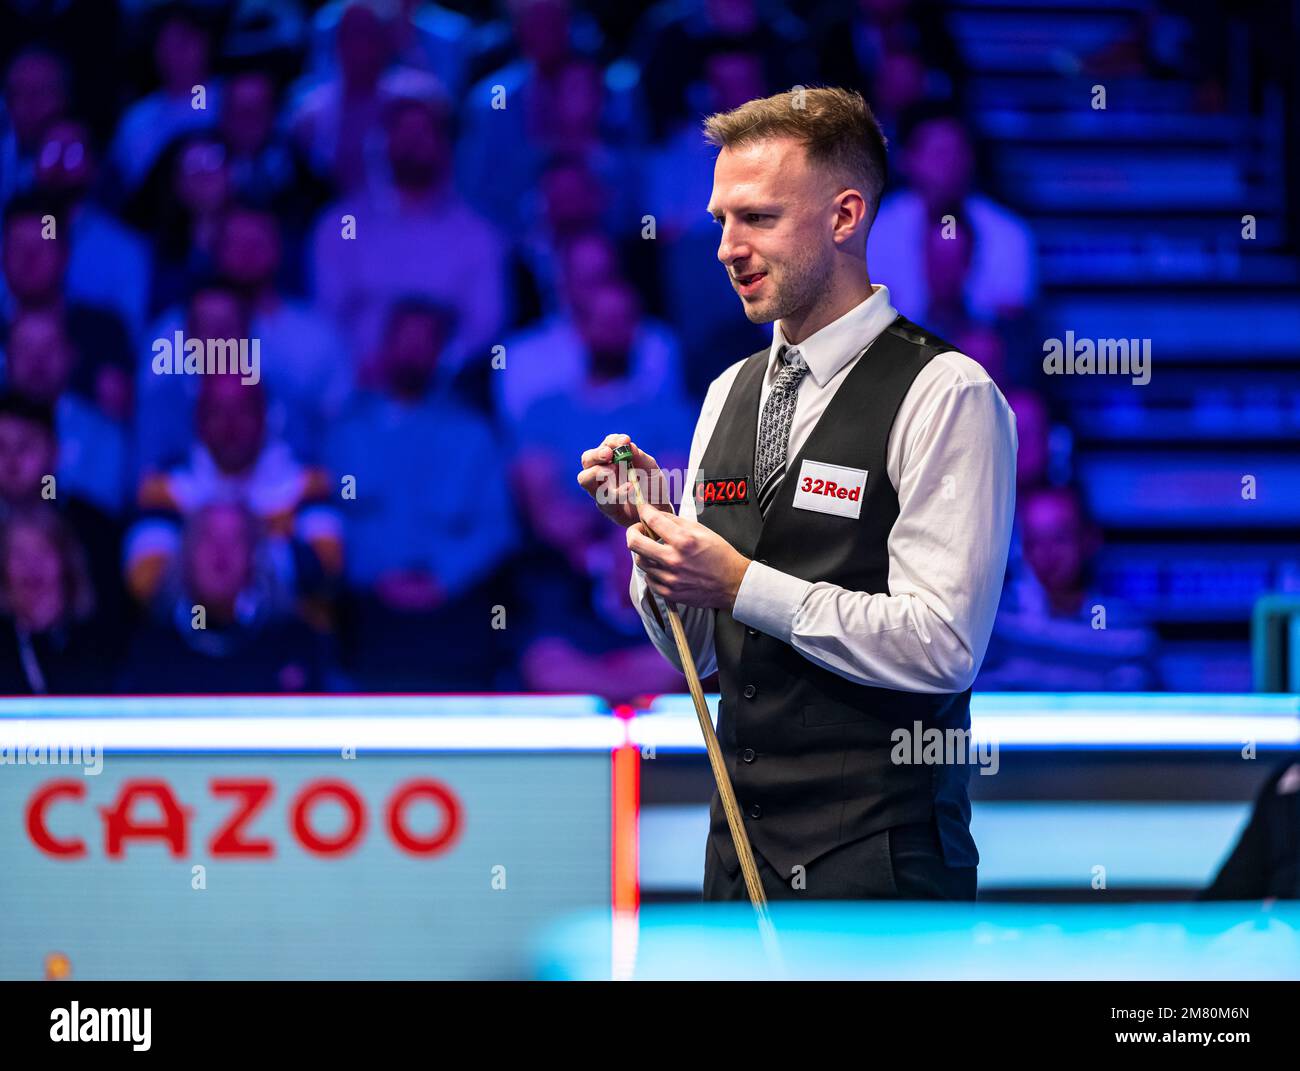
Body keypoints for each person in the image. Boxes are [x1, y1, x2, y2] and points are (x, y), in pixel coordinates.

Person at [576, 87, 1017, 901]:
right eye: (719, 220)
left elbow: (943, 646)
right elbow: (701, 657)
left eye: (758, 219)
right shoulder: (727, 391)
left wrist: (741, 582)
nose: (726, 248)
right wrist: (654, 541)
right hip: (738, 856)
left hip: (882, 865)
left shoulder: (946, 392)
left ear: (845, 217)